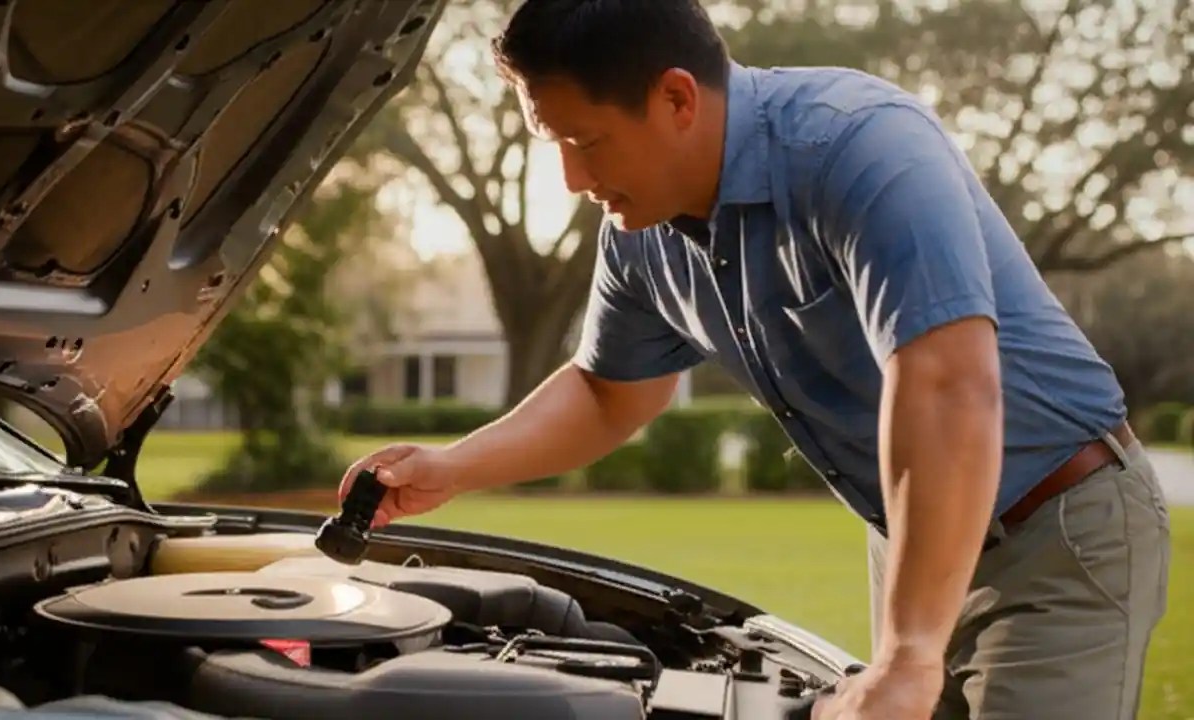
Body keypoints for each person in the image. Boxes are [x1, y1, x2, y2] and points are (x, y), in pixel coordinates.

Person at [337, 2, 1171, 718]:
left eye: (584, 141)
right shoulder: (641, 236)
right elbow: (607, 393)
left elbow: (949, 383)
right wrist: (453, 465)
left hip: (1060, 526)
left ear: (675, 98)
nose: (571, 176)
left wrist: (909, 654)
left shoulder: (860, 146)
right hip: (919, 537)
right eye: (553, 142)